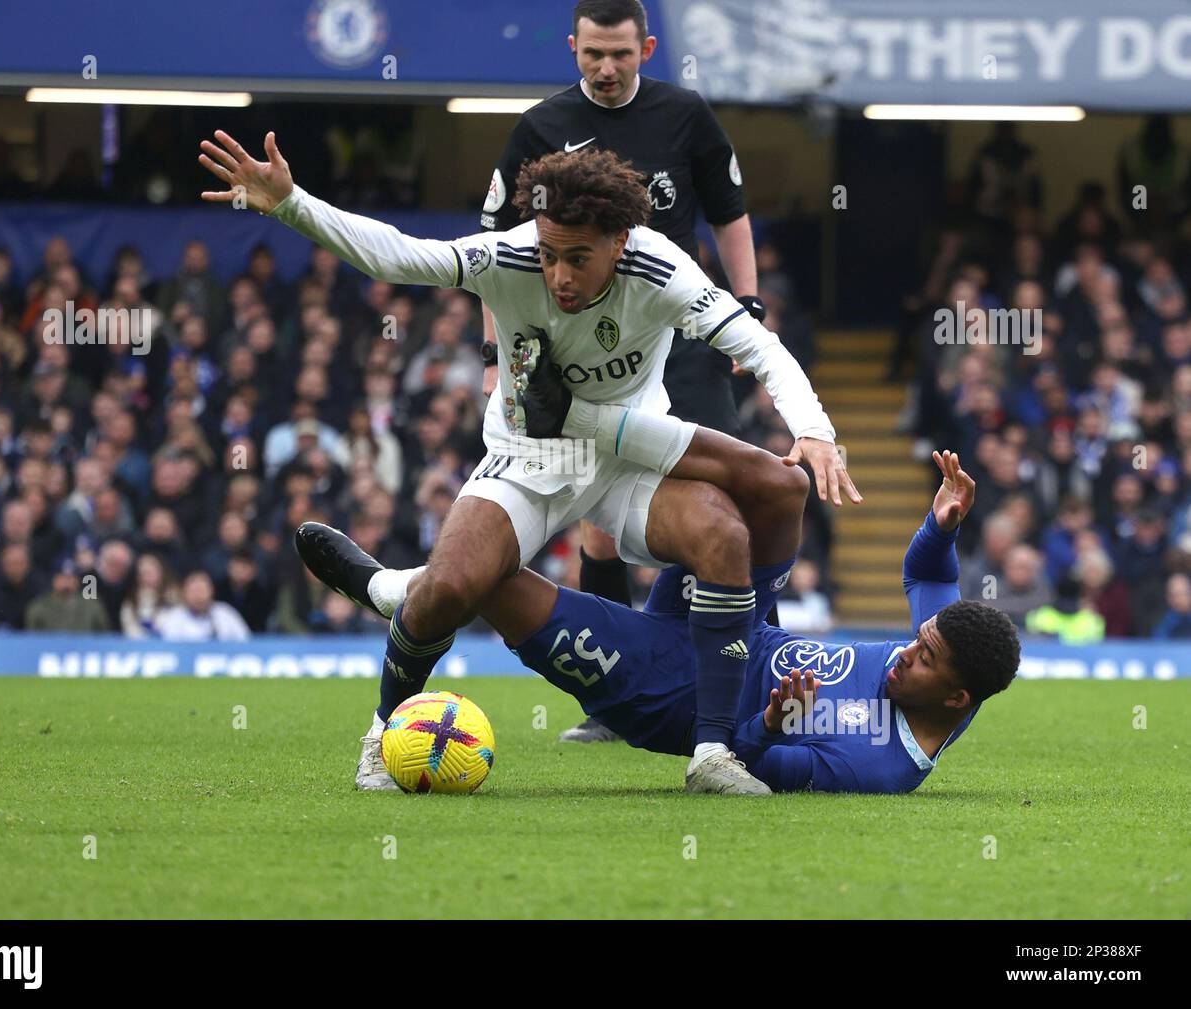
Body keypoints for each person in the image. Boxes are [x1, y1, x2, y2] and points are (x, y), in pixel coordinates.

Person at [199, 129, 858, 795]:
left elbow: (761, 346)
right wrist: (290, 203)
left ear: (619, 243)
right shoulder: (508, 258)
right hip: (529, 455)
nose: (560, 276)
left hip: (631, 454)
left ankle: (712, 754)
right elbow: (399, 258)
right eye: (549, 255)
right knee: (452, 591)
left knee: (724, 535)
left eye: (578, 258)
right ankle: (382, 730)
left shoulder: (662, 272)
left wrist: (815, 428)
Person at [304, 451, 1018, 794]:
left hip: (671, 690)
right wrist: (940, 524)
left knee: (487, 578)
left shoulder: (878, 764)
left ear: (957, 698)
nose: (904, 656)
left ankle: (392, 589)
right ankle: (610, 465)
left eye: (923, 662)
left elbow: (750, 763)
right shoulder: (950, 656)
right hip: (740, 616)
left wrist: (772, 720)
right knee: (772, 490)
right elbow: (927, 578)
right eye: (918, 642)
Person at [478, 0, 772, 743]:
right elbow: (493, 254)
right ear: (572, 47)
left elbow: (729, 213)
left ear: (645, 48)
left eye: (621, 56)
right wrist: (495, 359)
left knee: (729, 491)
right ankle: (610, 703)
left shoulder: (686, 115)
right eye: (591, 56)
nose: (606, 71)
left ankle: (752, 670)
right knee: (600, 530)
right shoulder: (539, 129)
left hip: (685, 331)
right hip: (580, 344)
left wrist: (749, 308)